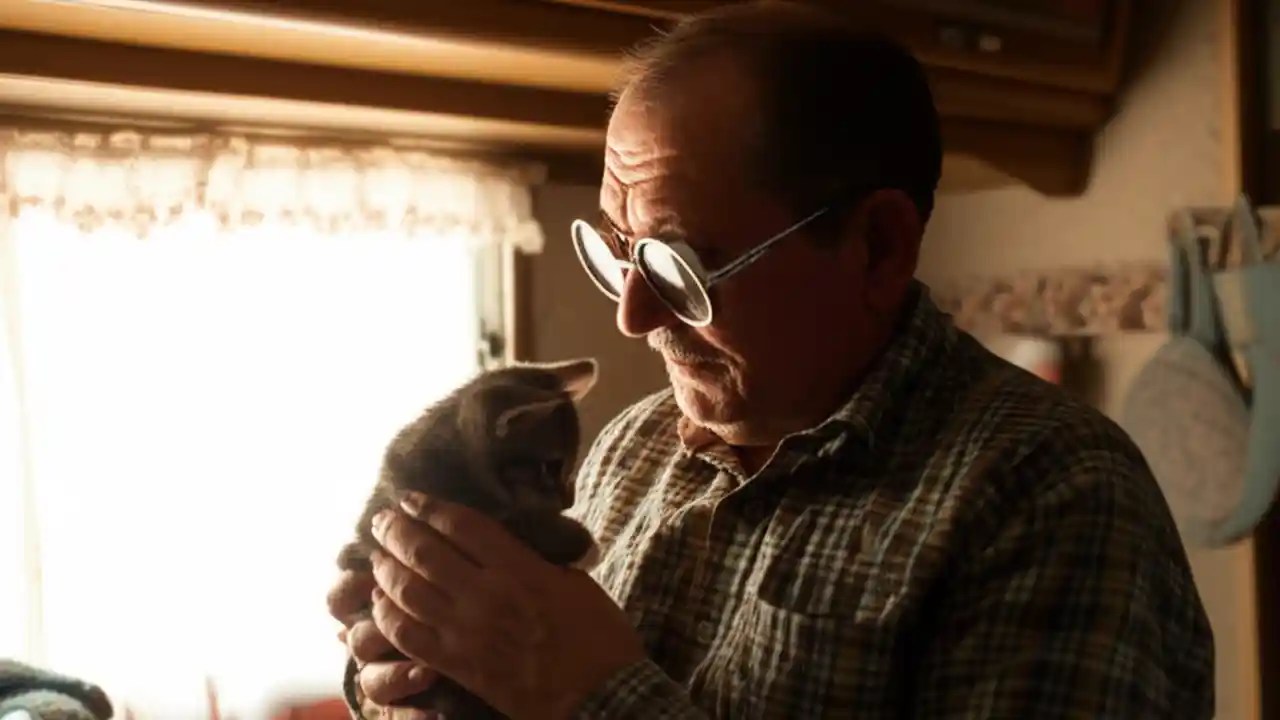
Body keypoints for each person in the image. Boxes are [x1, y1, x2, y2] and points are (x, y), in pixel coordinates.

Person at [327, 2, 1215, 718]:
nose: (633, 317)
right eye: (615, 251)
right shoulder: (630, 453)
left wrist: (584, 697)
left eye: (681, 266)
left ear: (877, 247)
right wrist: (418, 677)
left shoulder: (1050, 492)